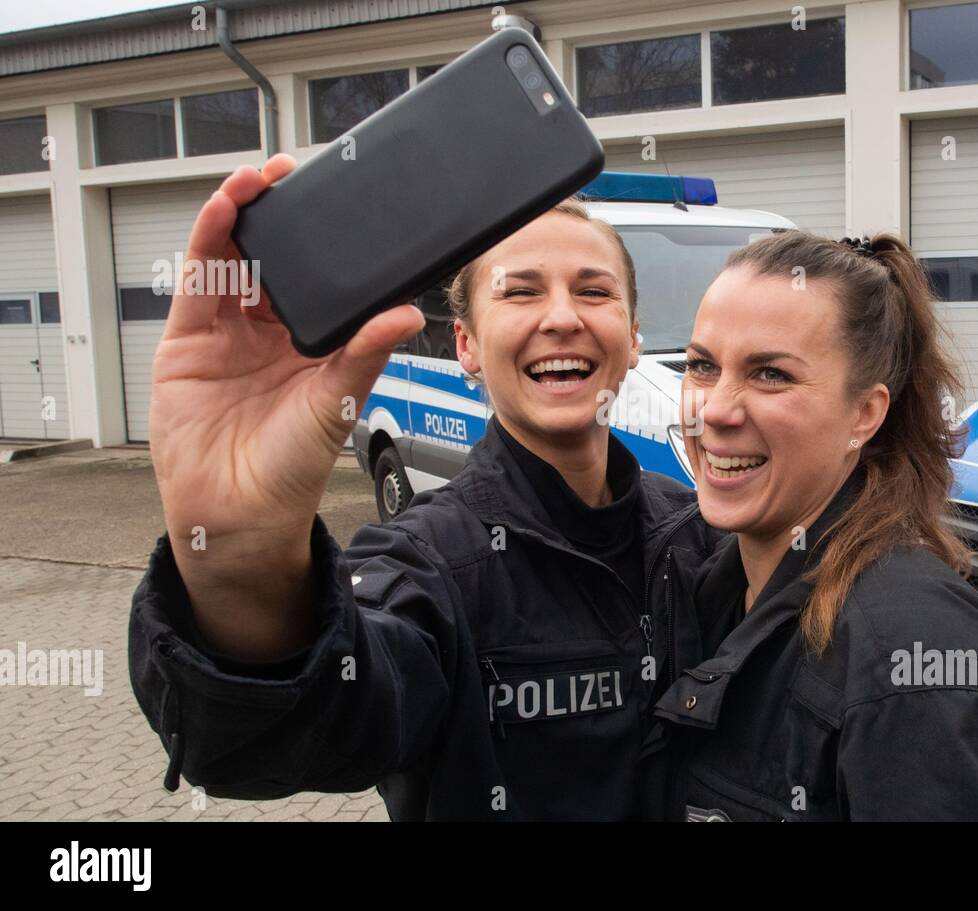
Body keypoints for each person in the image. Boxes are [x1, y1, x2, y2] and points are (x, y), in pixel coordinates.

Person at [128, 155, 721, 820]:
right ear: (466, 345)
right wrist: (242, 567)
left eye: (594, 291)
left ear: (633, 336)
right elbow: (300, 729)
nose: (562, 316)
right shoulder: (429, 566)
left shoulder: (702, 538)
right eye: (520, 291)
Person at [641, 230, 978, 821]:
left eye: (770, 374)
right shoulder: (717, 586)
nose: (713, 409)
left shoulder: (918, 658)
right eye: (702, 366)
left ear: (864, 414)